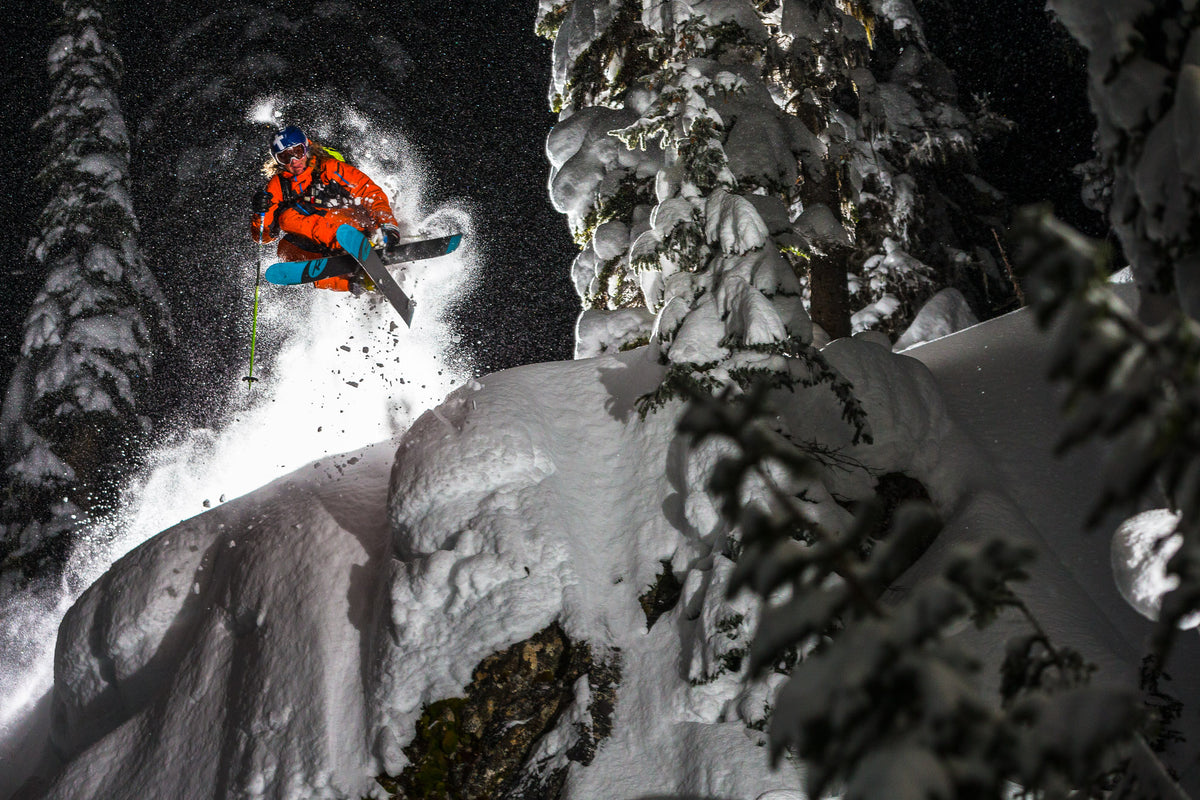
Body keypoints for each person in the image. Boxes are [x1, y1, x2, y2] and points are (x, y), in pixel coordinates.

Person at [250, 125, 402, 292]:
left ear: (306, 146)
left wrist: (388, 225)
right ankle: (354, 282)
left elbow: (369, 192)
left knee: (289, 217)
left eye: (297, 152)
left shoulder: (328, 168)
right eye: (285, 157)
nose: (294, 161)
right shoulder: (278, 186)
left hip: (353, 226)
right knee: (285, 248)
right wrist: (260, 213)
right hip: (323, 245)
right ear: (277, 161)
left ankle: (358, 246)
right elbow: (263, 238)